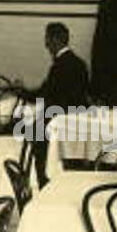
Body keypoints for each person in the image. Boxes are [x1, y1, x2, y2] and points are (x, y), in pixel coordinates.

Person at [26, 23, 91, 186]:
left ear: (54, 40)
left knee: (27, 135)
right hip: (77, 121)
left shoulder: (59, 66)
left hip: (56, 120)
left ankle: (41, 182)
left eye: (47, 39)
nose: (46, 44)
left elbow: (44, 94)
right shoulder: (80, 63)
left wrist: (20, 91)